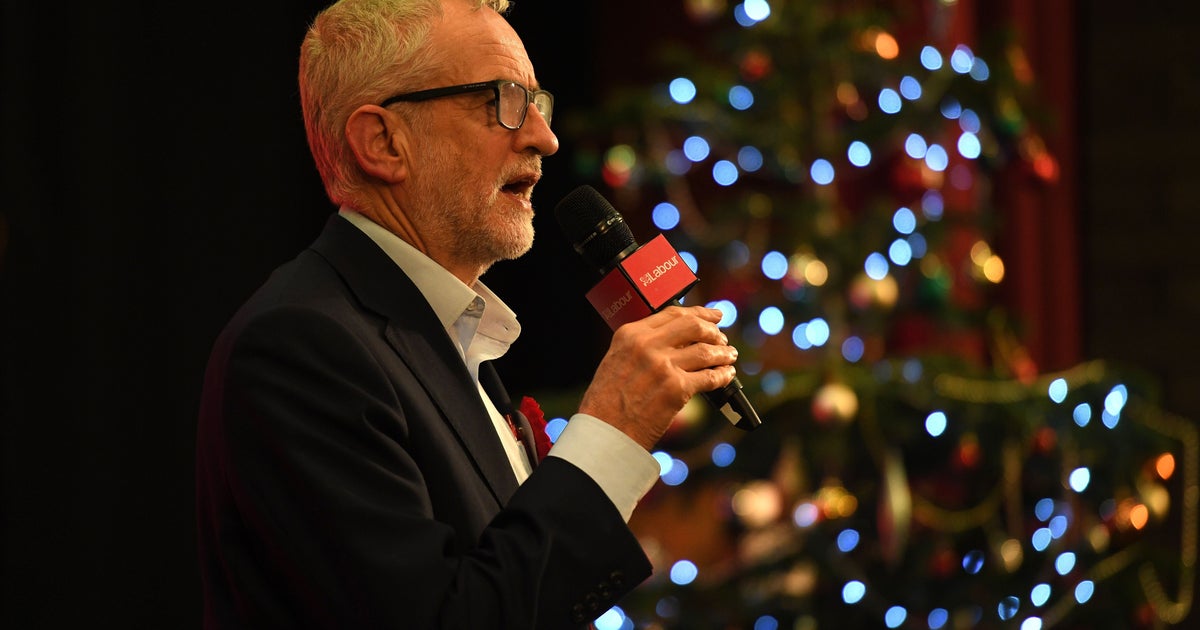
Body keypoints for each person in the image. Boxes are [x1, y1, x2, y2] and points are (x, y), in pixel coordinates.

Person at [195, 0, 740, 627]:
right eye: (504, 100)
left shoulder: (444, 336)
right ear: (384, 142)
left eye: (538, 100)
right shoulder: (300, 346)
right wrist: (611, 426)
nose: (545, 136)